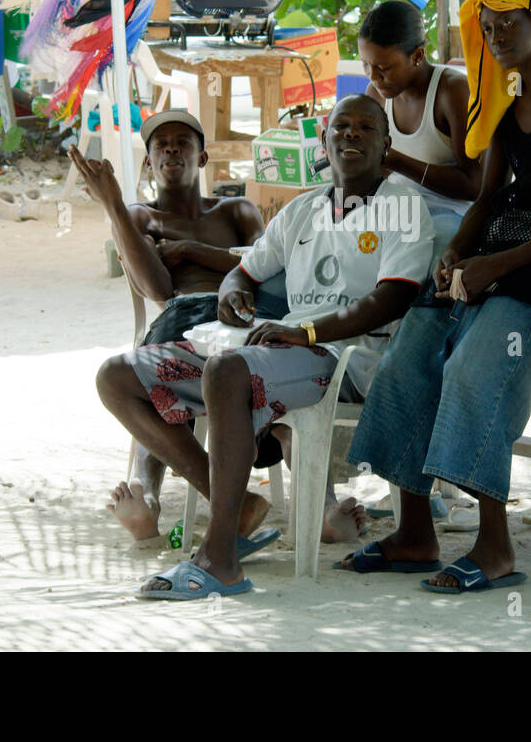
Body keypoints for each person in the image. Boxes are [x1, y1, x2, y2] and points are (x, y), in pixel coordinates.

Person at [341, 0, 531, 593]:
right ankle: (415, 534)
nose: (497, 37)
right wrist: (459, 250)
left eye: (508, 23)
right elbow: (486, 197)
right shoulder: (505, 97)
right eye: (487, 29)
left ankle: (495, 547)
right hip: (492, 250)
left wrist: (496, 265)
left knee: (472, 371)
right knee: (407, 358)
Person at [124, 94, 434, 600]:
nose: (350, 135)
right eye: (341, 127)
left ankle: (219, 558)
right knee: (120, 375)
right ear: (324, 140)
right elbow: (242, 272)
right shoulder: (305, 207)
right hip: (285, 350)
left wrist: (308, 332)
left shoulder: (401, 206)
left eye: (364, 128)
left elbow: (393, 298)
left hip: (349, 359)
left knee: (227, 372)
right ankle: (236, 501)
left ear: (386, 144)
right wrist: (233, 297)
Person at [78, 110, 370, 548]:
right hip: (185, 317)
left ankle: (322, 509)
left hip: (252, 315)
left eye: (183, 142)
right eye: (161, 145)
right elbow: (157, 286)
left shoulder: (234, 208)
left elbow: (270, 268)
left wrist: (189, 250)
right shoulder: (139, 216)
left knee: (283, 397)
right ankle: (150, 498)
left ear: (203, 158)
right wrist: (115, 207)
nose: (171, 149)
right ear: (148, 163)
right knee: (146, 382)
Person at [359, 0, 483, 529]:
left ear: (419, 54)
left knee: (423, 334)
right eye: (367, 66)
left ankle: (442, 477)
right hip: (398, 219)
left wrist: (394, 159)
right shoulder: (376, 92)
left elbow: (475, 183)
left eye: (385, 67)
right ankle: (405, 467)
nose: (376, 79)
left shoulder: (449, 89)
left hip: (453, 227)